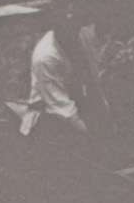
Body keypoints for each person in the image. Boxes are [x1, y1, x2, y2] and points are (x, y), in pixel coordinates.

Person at [10, 7, 100, 138]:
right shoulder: (45, 58)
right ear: (56, 28)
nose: (71, 32)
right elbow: (63, 110)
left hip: (75, 98)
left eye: (74, 27)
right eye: (64, 28)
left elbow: (93, 78)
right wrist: (92, 138)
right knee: (72, 140)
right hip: (51, 109)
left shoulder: (82, 35)